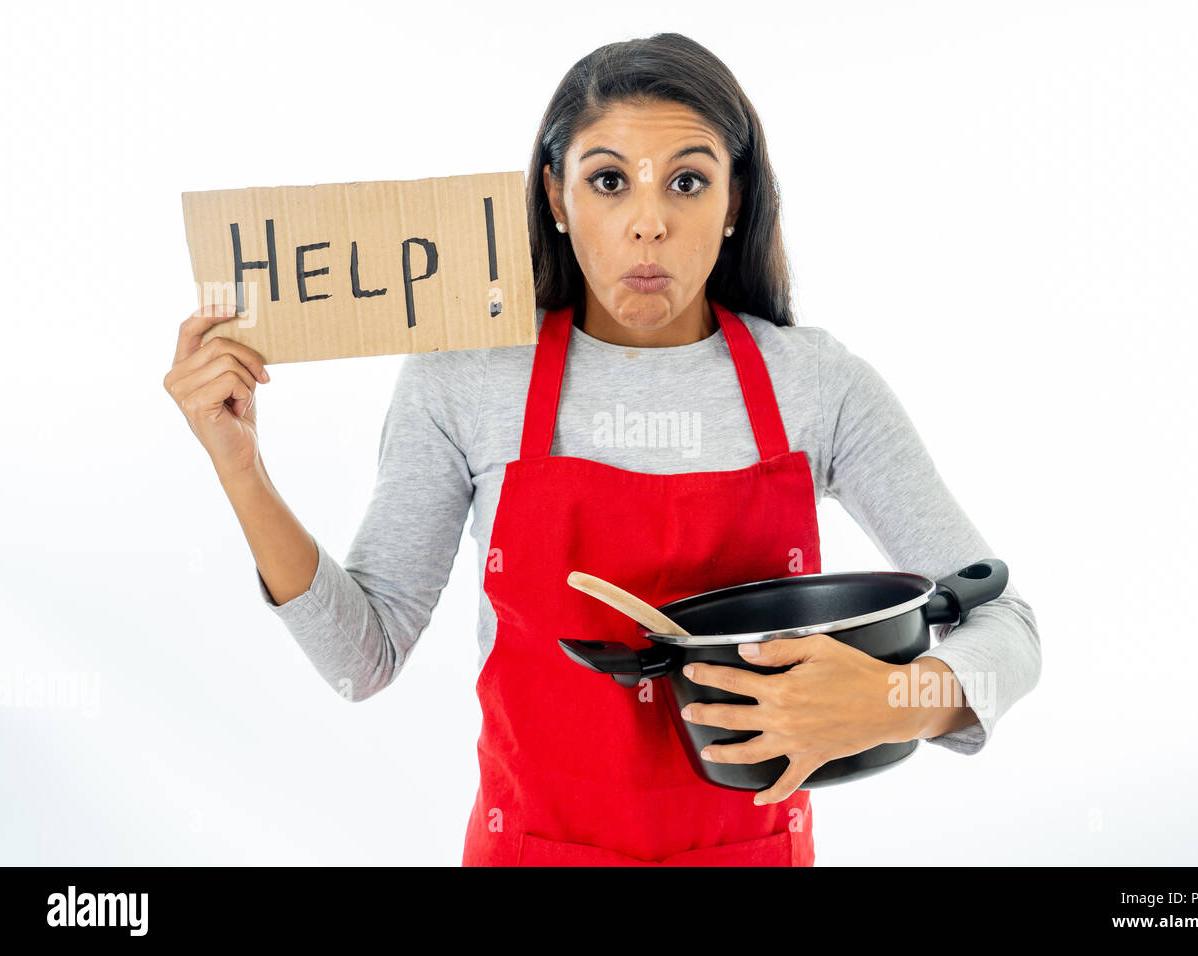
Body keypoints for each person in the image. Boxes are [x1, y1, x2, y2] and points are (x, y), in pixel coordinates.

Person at [163, 33, 1041, 867]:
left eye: (688, 183)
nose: (648, 223)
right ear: (556, 197)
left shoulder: (818, 385)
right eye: (610, 180)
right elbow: (363, 660)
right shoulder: (465, 378)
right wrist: (239, 466)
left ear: (735, 199)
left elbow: (1008, 624)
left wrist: (894, 701)